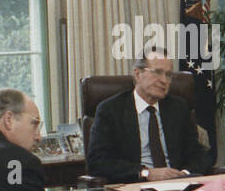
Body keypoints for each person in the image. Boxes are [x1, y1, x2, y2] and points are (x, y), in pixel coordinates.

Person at [86, 51, 211, 183]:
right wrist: (146, 173)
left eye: (168, 75)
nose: (164, 80)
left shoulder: (178, 108)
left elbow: (198, 154)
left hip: (178, 186)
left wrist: (184, 175)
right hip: (135, 186)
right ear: (137, 74)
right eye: (157, 72)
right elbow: (98, 162)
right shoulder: (110, 110)